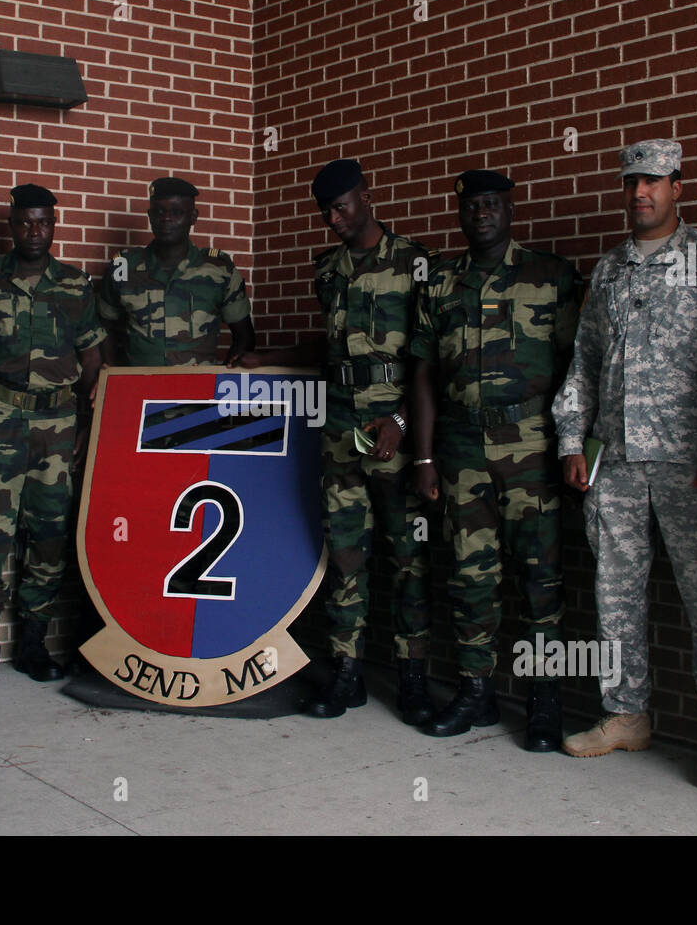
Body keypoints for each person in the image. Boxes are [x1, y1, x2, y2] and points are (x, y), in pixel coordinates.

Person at [554, 139, 697, 788]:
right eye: (632, 182)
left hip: (692, 465)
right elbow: (584, 363)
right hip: (615, 462)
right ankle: (625, 714)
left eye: (654, 181)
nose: (641, 193)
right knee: (614, 594)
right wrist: (570, 442)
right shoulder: (609, 271)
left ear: (677, 186)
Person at [238, 158, 433, 722]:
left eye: (342, 206)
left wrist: (401, 422)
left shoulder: (415, 263)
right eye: (326, 211)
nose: (334, 218)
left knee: (407, 558)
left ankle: (413, 680)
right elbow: (330, 350)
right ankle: (346, 674)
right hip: (342, 432)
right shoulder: (328, 270)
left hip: (392, 433)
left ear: (366, 197)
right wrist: (266, 359)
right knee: (346, 556)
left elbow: (432, 356)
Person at [409, 170, 582, 747]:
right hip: (460, 449)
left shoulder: (549, 275)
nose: (481, 213)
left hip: (532, 445)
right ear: (460, 213)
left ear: (509, 208)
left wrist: (571, 445)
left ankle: (544, 702)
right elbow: (426, 374)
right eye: (471, 205)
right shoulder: (439, 282)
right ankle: (476, 693)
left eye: (491, 204)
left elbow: (574, 371)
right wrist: (425, 457)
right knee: (469, 575)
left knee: (542, 579)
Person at [0, 184, 104, 687]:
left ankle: (32, 645)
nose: (34, 231)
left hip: (57, 429)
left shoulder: (75, 284)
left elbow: (92, 357)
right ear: (11, 226)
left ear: (53, 225)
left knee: (48, 534)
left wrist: (83, 424)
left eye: (43, 222)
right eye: (25, 223)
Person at [99, 176, 256, 366]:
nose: (166, 218)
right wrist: (113, 376)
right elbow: (102, 327)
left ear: (193, 217)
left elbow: (244, 337)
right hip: (137, 386)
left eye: (176, 212)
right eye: (159, 211)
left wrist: (224, 377)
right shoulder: (123, 266)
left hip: (198, 388)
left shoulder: (219, 269)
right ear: (149, 216)